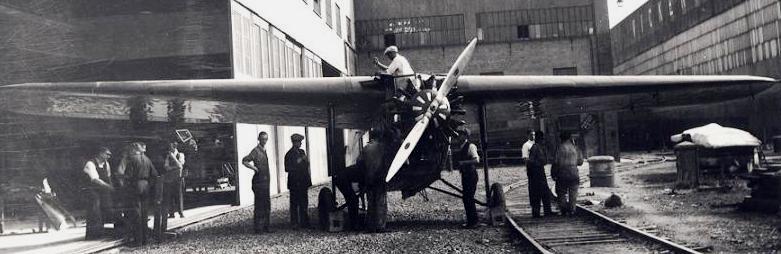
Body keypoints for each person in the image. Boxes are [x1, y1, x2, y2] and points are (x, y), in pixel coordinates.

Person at [120, 142, 158, 246]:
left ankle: (138, 240)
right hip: (145, 186)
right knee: (144, 213)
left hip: (135, 186)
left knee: (136, 213)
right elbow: (154, 174)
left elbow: (128, 175)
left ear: (134, 149)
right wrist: (148, 185)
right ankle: (145, 240)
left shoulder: (132, 159)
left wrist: (126, 185)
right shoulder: (147, 159)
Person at [357, 128, 388, 232]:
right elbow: (387, 162)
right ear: (379, 137)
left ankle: (370, 226)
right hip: (380, 178)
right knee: (380, 202)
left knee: (371, 202)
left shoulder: (366, 148)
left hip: (369, 179)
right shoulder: (382, 148)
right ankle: (380, 226)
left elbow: (359, 162)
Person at [83, 147, 115, 239]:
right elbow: (95, 179)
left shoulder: (106, 164)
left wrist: (111, 187)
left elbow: (108, 177)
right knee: (95, 210)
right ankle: (93, 235)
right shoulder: (90, 163)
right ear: (101, 153)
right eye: (107, 154)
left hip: (102, 190)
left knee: (105, 208)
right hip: (91, 190)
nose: (109, 156)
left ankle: (101, 232)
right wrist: (109, 187)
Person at [242, 132, 272, 234]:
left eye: (266, 139)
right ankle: (258, 228)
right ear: (259, 139)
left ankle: (266, 227)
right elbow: (245, 160)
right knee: (259, 206)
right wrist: (254, 168)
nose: (264, 141)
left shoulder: (264, 150)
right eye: (263, 139)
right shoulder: (256, 151)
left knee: (266, 205)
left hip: (265, 182)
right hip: (258, 182)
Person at [453, 128, 481, 228]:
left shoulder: (471, 146)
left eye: (461, 135)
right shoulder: (462, 146)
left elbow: (476, 160)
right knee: (466, 198)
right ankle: (471, 221)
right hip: (466, 174)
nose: (458, 136)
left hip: (471, 175)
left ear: (465, 136)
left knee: (469, 198)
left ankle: (474, 222)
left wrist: (463, 163)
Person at [551, 131, 583, 216]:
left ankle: (564, 210)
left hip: (562, 173)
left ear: (561, 139)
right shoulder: (575, 148)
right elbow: (580, 162)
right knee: (573, 192)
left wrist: (553, 173)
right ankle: (572, 210)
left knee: (561, 192)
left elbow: (555, 162)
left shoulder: (559, 148)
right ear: (569, 138)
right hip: (574, 173)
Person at [285, 133, 311, 229]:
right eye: (299, 142)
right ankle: (294, 223)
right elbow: (287, 168)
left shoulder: (302, 152)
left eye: (300, 142)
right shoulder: (289, 154)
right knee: (294, 203)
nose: (300, 144)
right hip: (295, 182)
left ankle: (305, 222)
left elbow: (306, 165)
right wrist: (299, 160)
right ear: (294, 142)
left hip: (303, 181)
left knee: (304, 202)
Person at [527, 131, 553, 218]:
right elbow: (531, 161)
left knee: (543, 193)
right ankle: (538, 213)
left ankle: (545, 211)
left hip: (539, 171)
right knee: (538, 193)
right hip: (536, 173)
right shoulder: (535, 148)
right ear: (540, 139)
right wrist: (538, 164)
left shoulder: (539, 147)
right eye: (542, 139)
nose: (543, 140)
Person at [164, 142, 185, 219]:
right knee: (170, 195)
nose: (169, 149)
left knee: (179, 195)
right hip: (170, 178)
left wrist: (173, 157)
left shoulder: (181, 154)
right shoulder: (168, 156)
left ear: (174, 147)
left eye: (170, 147)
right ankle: (171, 213)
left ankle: (181, 212)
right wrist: (174, 168)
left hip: (178, 178)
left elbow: (180, 165)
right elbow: (166, 167)